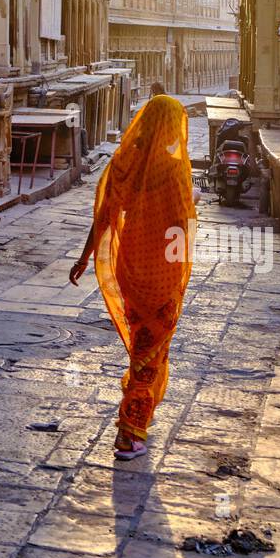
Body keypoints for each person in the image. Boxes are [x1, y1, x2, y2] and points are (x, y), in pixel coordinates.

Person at [70, 94, 198, 460]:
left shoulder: (124, 161)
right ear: (173, 126)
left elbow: (106, 214)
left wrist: (84, 258)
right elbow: (182, 224)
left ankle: (137, 423)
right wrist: (179, 273)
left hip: (132, 266)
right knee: (149, 354)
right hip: (162, 270)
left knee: (143, 347)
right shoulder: (173, 168)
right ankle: (129, 433)